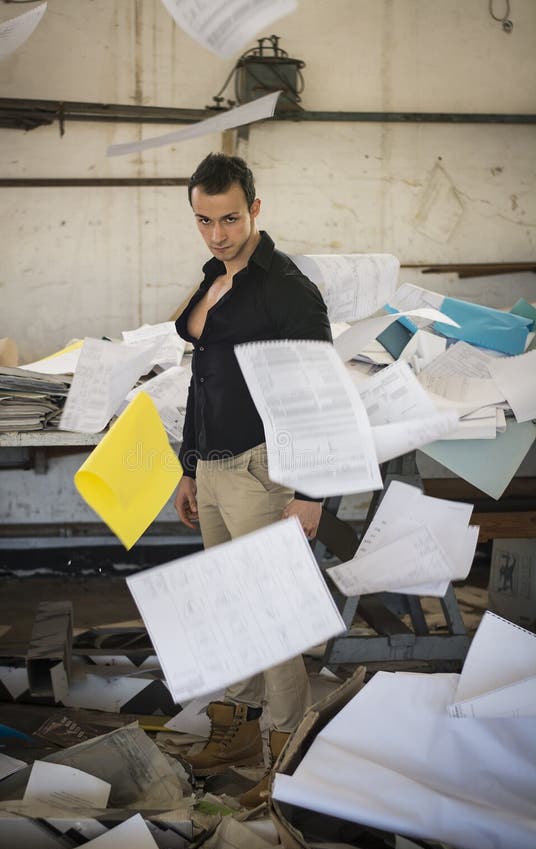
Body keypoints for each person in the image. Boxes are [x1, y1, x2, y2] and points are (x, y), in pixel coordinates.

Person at [173, 153, 332, 806]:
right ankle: (238, 731)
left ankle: (286, 760)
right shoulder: (213, 275)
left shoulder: (286, 287)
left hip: (261, 469)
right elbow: (202, 375)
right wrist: (190, 466)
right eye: (205, 221)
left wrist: (312, 492)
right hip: (213, 468)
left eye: (230, 219)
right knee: (230, 608)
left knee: (274, 621)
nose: (218, 234)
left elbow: (320, 394)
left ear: (256, 209)